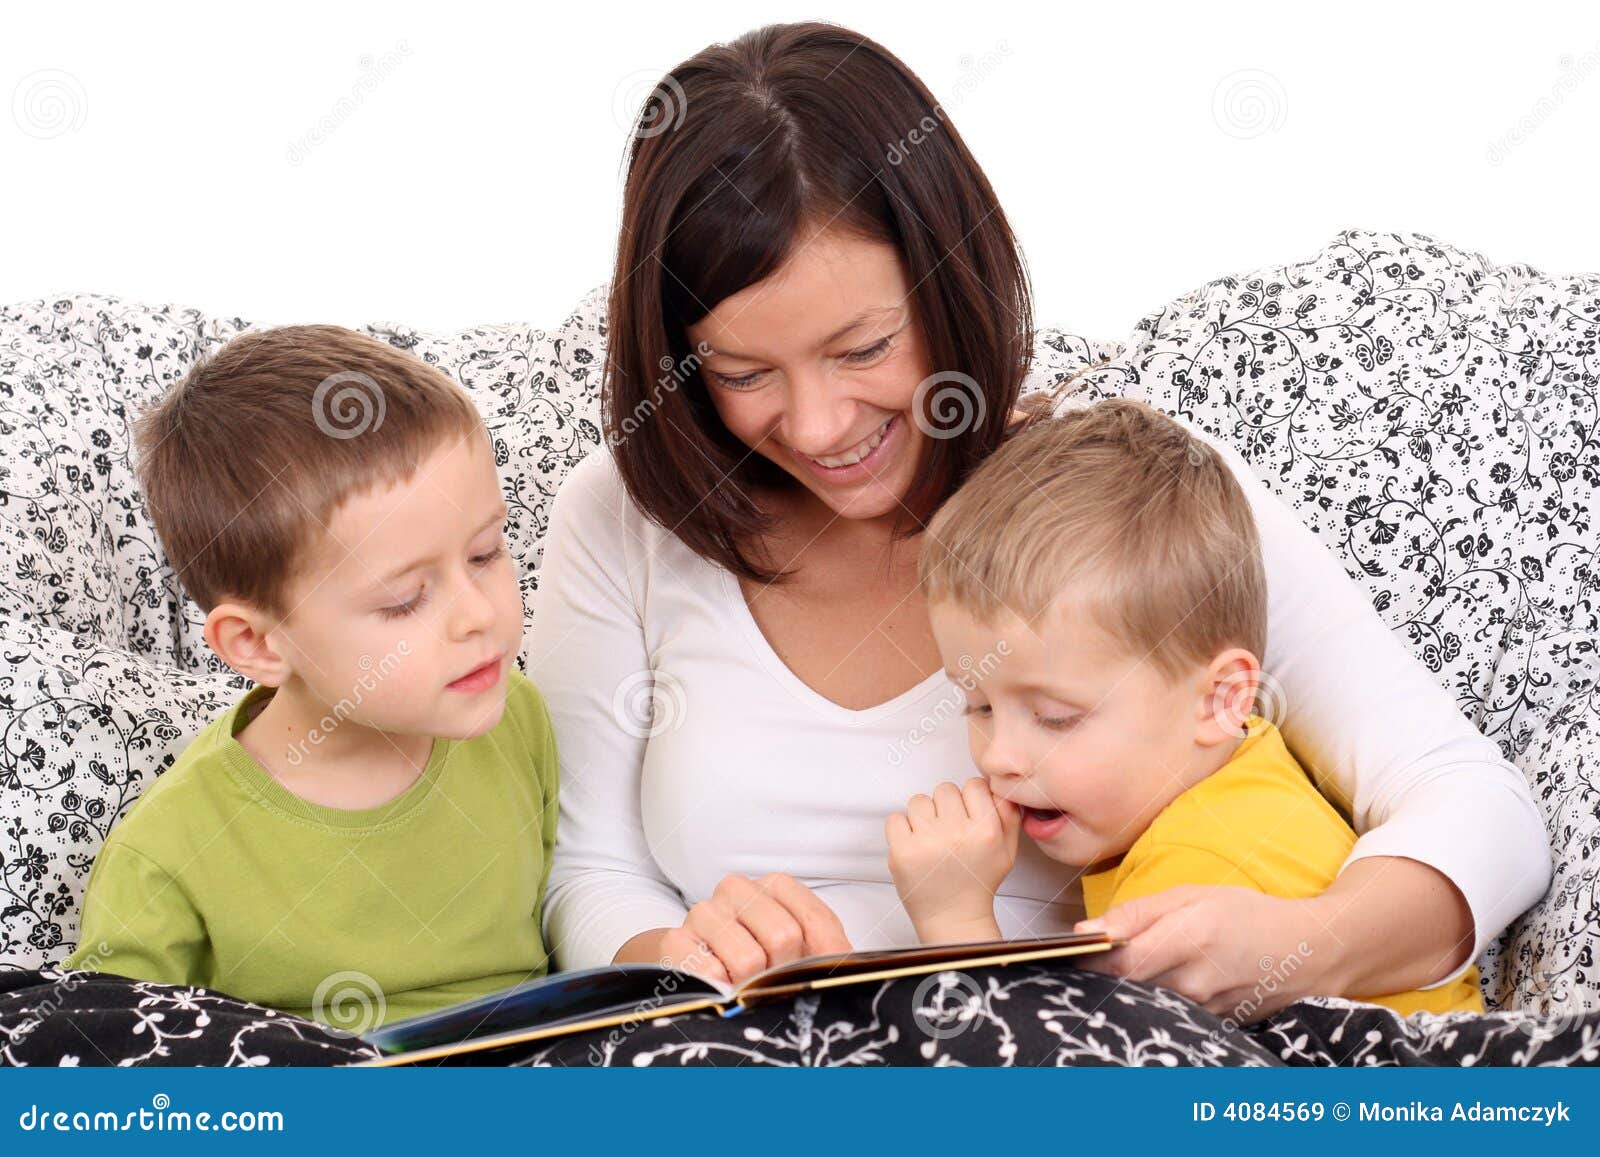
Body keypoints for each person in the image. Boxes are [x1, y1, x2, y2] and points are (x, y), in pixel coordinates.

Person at [526, 21, 1549, 1018]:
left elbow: (1478, 809)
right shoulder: (625, 518)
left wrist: (1295, 947)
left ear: (951, 279)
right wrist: (683, 959)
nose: (819, 423)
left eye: (864, 347)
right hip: (741, 1064)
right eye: (745, 372)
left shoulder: (1123, 508)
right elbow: (588, 870)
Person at [885, 398, 1483, 1015]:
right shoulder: (1240, 773)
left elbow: (1065, 1089)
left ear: (1221, 699)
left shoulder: (1193, 875)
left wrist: (954, 920)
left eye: (1055, 717)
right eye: (977, 706)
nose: (1000, 758)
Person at [63, 326, 559, 1029]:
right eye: (404, 599)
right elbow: (107, 1071)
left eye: (485, 552)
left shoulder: (522, 719)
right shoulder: (171, 853)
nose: (479, 614)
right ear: (259, 643)